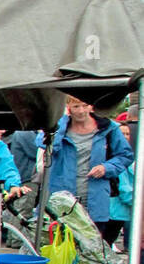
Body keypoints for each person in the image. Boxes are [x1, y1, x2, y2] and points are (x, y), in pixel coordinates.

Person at [45, 95, 132, 239]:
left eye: (85, 106)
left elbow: (126, 156)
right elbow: (47, 145)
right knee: (62, 247)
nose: (81, 111)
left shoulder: (108, 128)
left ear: (92, 106)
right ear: (68, 109)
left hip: (95, 200)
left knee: (94, 248)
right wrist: (62, 123)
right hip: (63, 198)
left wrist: (106, 167)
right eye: (76, 107)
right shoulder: (59, 127)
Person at [104, 113, 135, 248]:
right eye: (122, 133)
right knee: (105, 243)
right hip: (114, 210)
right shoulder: (117, 158)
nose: (125, 136)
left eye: (127, 134)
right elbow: (124, 188)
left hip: (119, 211)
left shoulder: (126, 156)